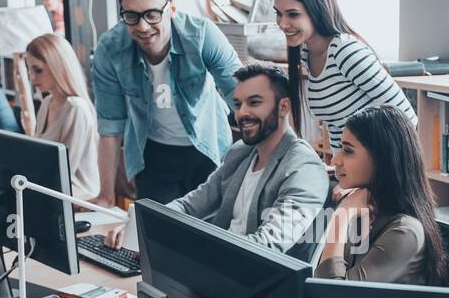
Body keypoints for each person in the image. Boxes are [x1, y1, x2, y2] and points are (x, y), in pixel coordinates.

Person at [110, 63, 327, 254]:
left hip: (259, 285)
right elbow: (191, 205)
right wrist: (140, 226)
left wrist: (193, 253)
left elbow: (267, 245)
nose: (242, 113)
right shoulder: (240, 152)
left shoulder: (304, 168)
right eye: (238, 104)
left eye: (254, 102)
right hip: (216, 271)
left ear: (284, 106)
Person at [90, 0, 240, 205]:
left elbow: (241, 97)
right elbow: (110, 128)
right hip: (153, 156)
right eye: (131, 16)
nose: (142, 26)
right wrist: (105, 196)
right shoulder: (109, 50)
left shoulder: (202, 36)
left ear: (171, 9)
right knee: (160, 238)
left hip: (208, 150)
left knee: (211, 235)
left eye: (151, 14)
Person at [273, 0, 416, 151]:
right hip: (347, 169)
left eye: (293, 14)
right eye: (278, 13)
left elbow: (407, 118)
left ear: (316, 8)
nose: (283, 24)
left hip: (375, 171)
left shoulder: (345, 51)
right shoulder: (307, 55)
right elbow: (336, 127)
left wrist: (375, 168)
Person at [314, 105, 444, 286]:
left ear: (382, 159)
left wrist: (341, 216)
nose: (335, 160)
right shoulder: (362, 206)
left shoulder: (406, 232)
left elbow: (331, 296)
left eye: (348, 150)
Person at [23, 33, 101, 203]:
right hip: (55, 195)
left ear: (57, 66)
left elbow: (63, 172)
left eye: (38, 70)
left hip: (79, 201)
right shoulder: (47, 103)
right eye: (30, 69)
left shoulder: (76, 109)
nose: (32, 77)